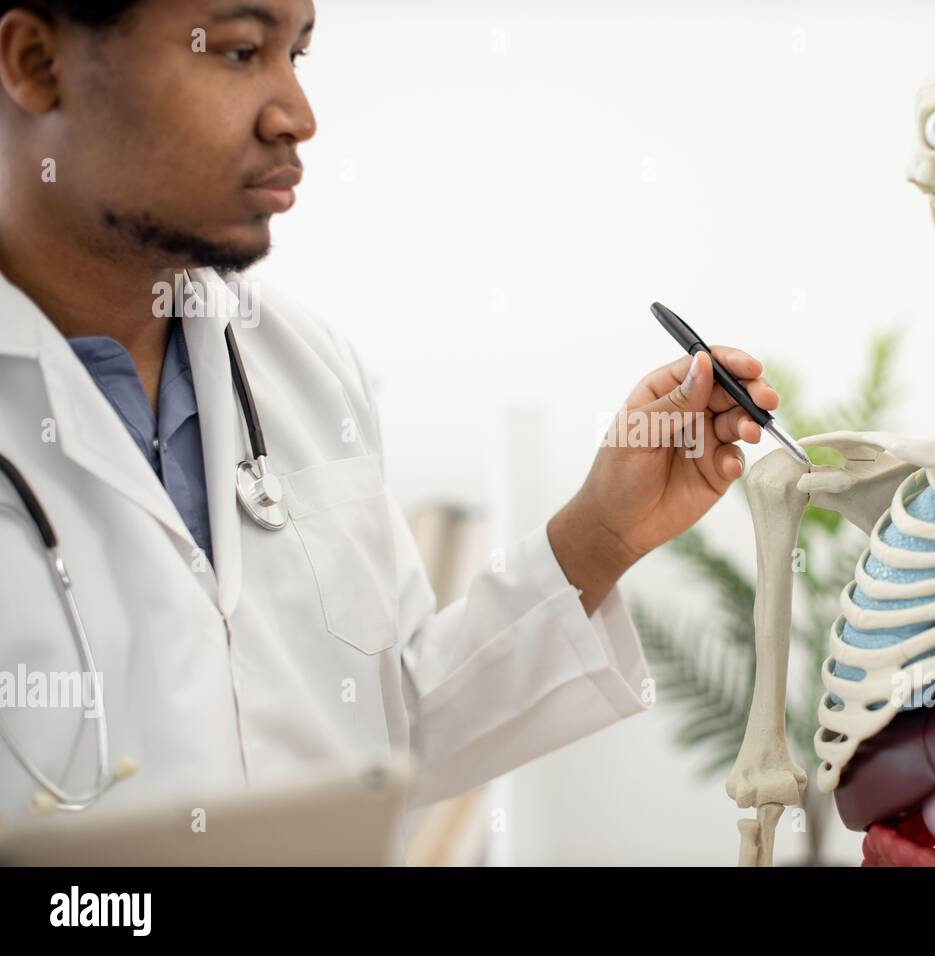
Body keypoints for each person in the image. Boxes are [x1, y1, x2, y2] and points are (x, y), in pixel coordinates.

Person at [0, 0, 780, 819]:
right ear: (37, 64)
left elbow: (388, 729)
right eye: (236, 51)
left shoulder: (303, 368)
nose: (297, 116)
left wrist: (599, 537)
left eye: (295, 55)